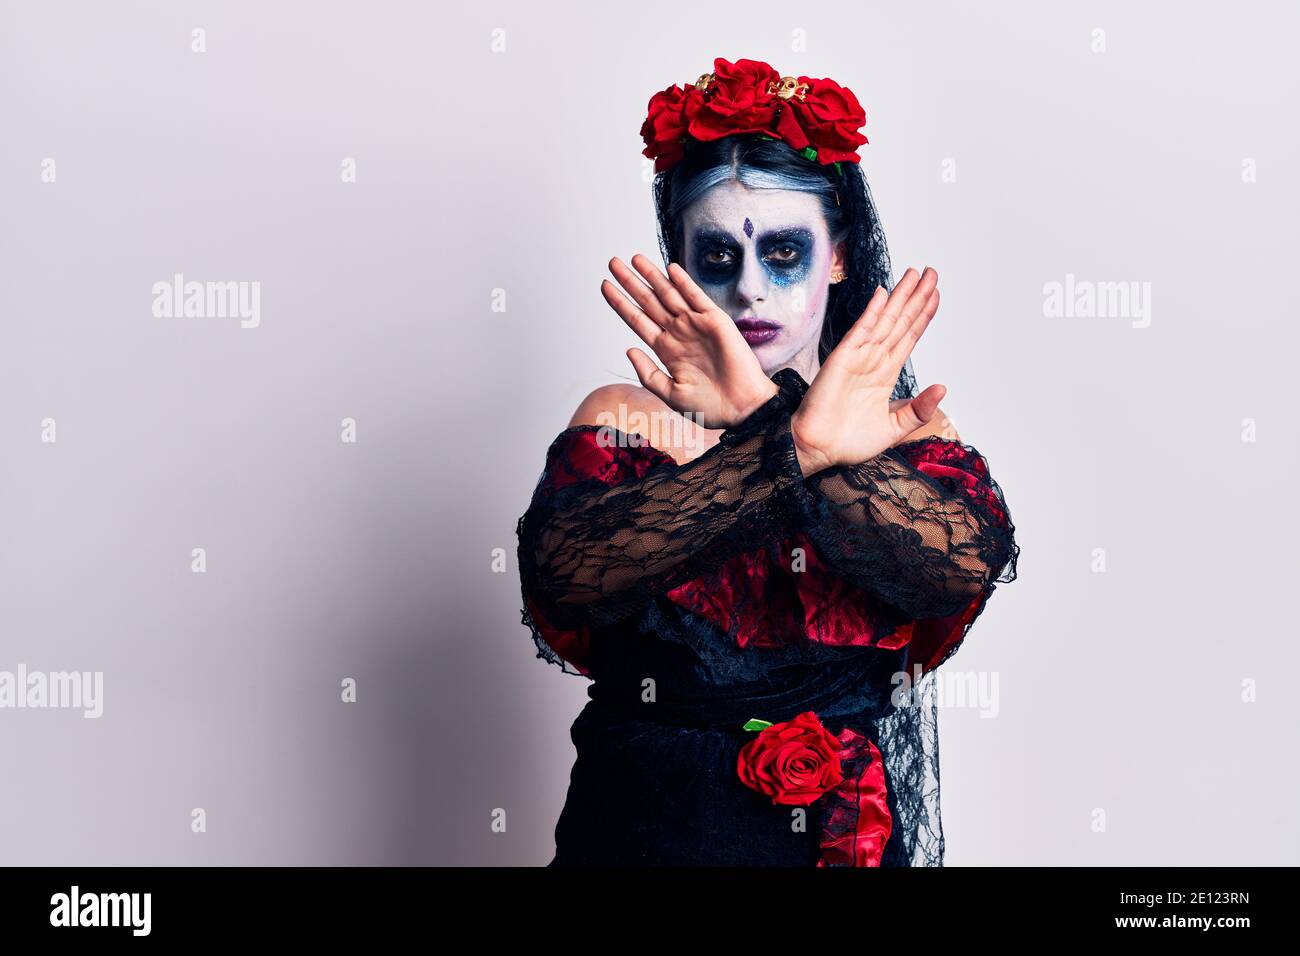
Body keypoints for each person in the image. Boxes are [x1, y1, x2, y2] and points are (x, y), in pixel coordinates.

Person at [515, 57, 1020, 866]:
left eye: (784, 253)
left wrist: (764, 418)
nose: (749, 290)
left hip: (840, 840)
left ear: (840, 256)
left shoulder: (904, 431)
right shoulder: (623, 419)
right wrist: (804, 443)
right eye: (717, 258)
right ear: (679, 259)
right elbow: (566, 577)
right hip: (644, 836)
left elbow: (953, 576)